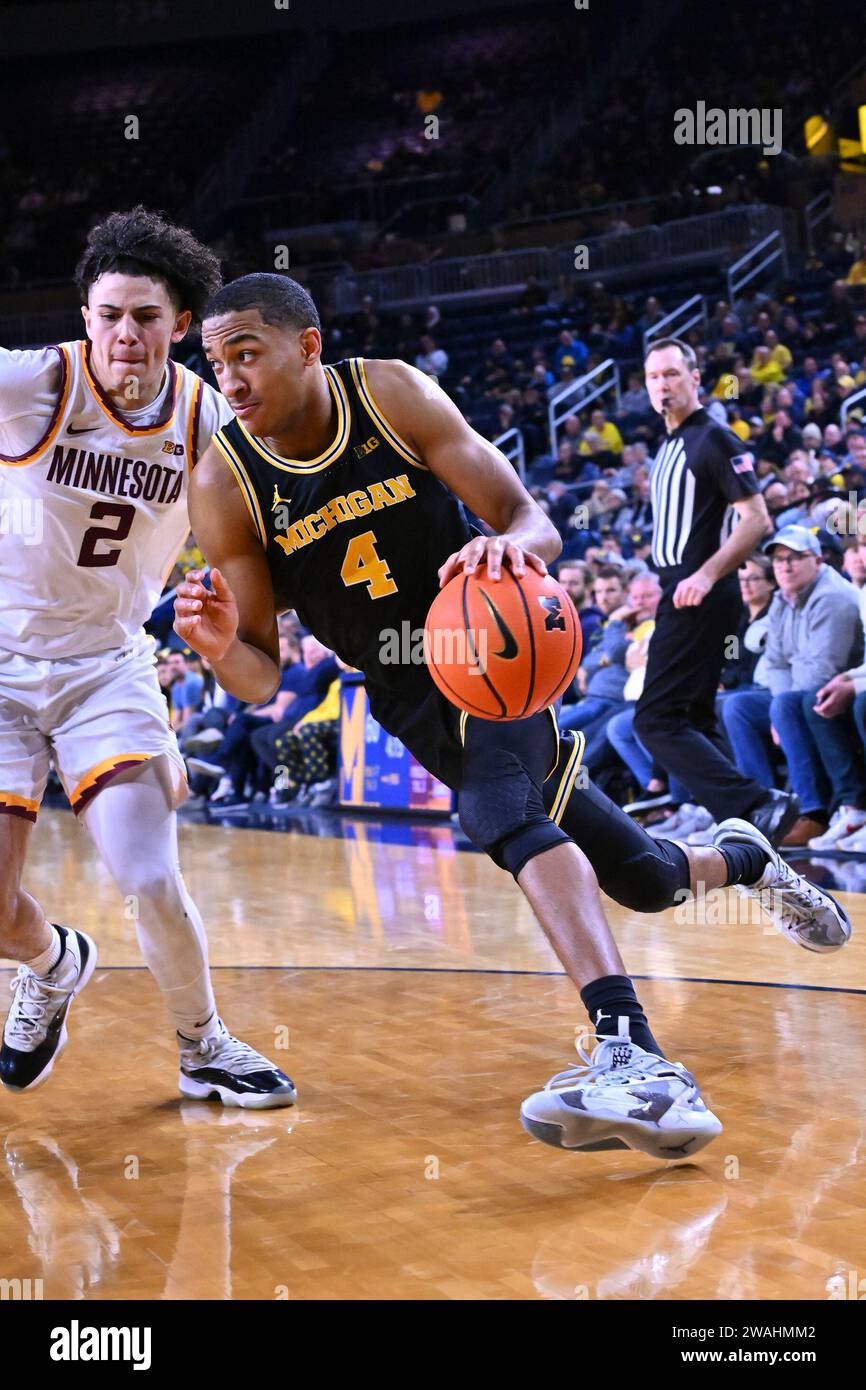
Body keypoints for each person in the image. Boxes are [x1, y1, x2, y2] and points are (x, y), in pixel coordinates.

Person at [173, 274, 849, 1161]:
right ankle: (747, 857)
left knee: (495, 810)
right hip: (409, 694)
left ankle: (636, 1057)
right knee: (644, 878)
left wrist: (508, 547)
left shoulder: (388, 392)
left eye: (246, 354)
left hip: (496, 641)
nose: (231, 379)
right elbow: (259, 680)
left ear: (307, 346)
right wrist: (223, 647)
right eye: (217, 363)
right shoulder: (226, 481)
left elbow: (535, 521)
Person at [0, 209, 294, 1107]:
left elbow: (270, 535)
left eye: (147, 317)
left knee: (152, 877)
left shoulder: (211, 421)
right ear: (85, 317)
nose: (126, 334)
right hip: (2, 667)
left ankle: (203, 1044)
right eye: (109, 314)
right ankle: (54, 964)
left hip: (108, 669)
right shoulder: (31, 386)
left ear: (179, 326)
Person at [634, 337, 799, 842]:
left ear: (696, 378)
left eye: (672, 374)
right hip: (680, 590)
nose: (663, 384)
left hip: (699, 593)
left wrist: (705, 575)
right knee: (694, 717)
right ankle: (734, 820)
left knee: (655, 719)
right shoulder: (668, 445)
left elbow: (756, 519)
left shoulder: (714, 438)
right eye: (654, 377)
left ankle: (757, 804)